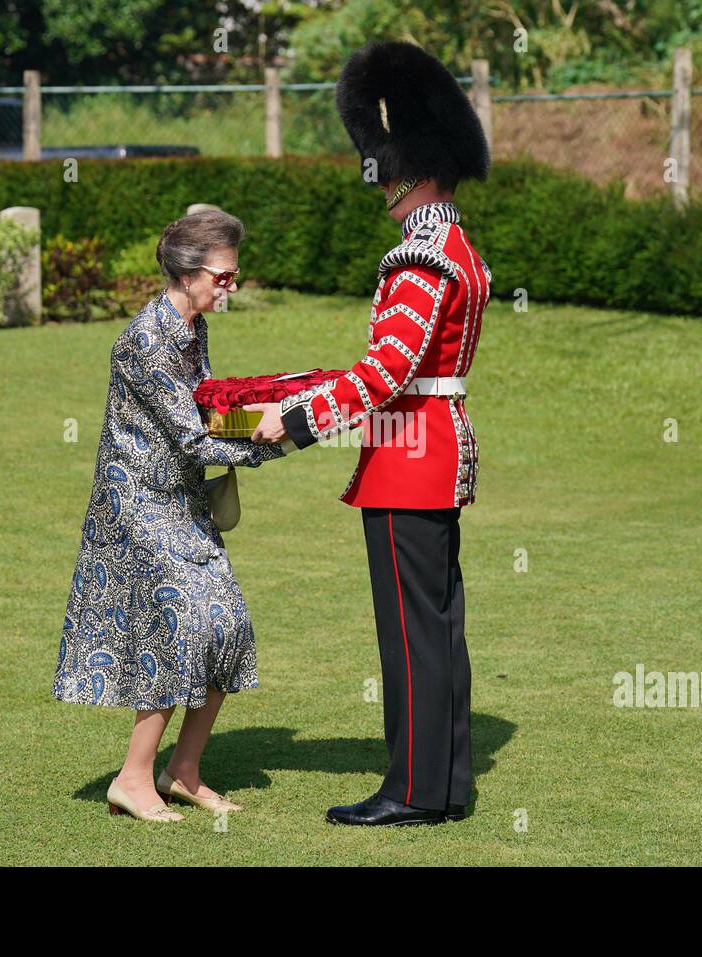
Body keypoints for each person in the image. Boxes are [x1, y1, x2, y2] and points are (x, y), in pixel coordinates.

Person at [250, 42, 491, 827]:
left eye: (386, 168)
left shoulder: (421, 256)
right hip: (433, 444)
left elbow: (385, 372)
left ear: (413, 167)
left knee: (412, 637)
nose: (379, 183)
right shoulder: (455, 247)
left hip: (409, 455)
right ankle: (444, 782)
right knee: (438, 628)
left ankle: (415, 790)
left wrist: (292, 423)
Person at [52, 210, 293, 823]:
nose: (231, 286)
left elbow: (208, 413)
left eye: (235, 275)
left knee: (226, 626)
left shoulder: (193, 329)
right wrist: (282, 438)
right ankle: (133, 780)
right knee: (183, 630)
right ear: (188, 274)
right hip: (135, 506)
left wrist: (274, 408)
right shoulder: (147, 339)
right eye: (225, 275)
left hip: (182, 502)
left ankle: (182, 772)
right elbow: (193, 438)